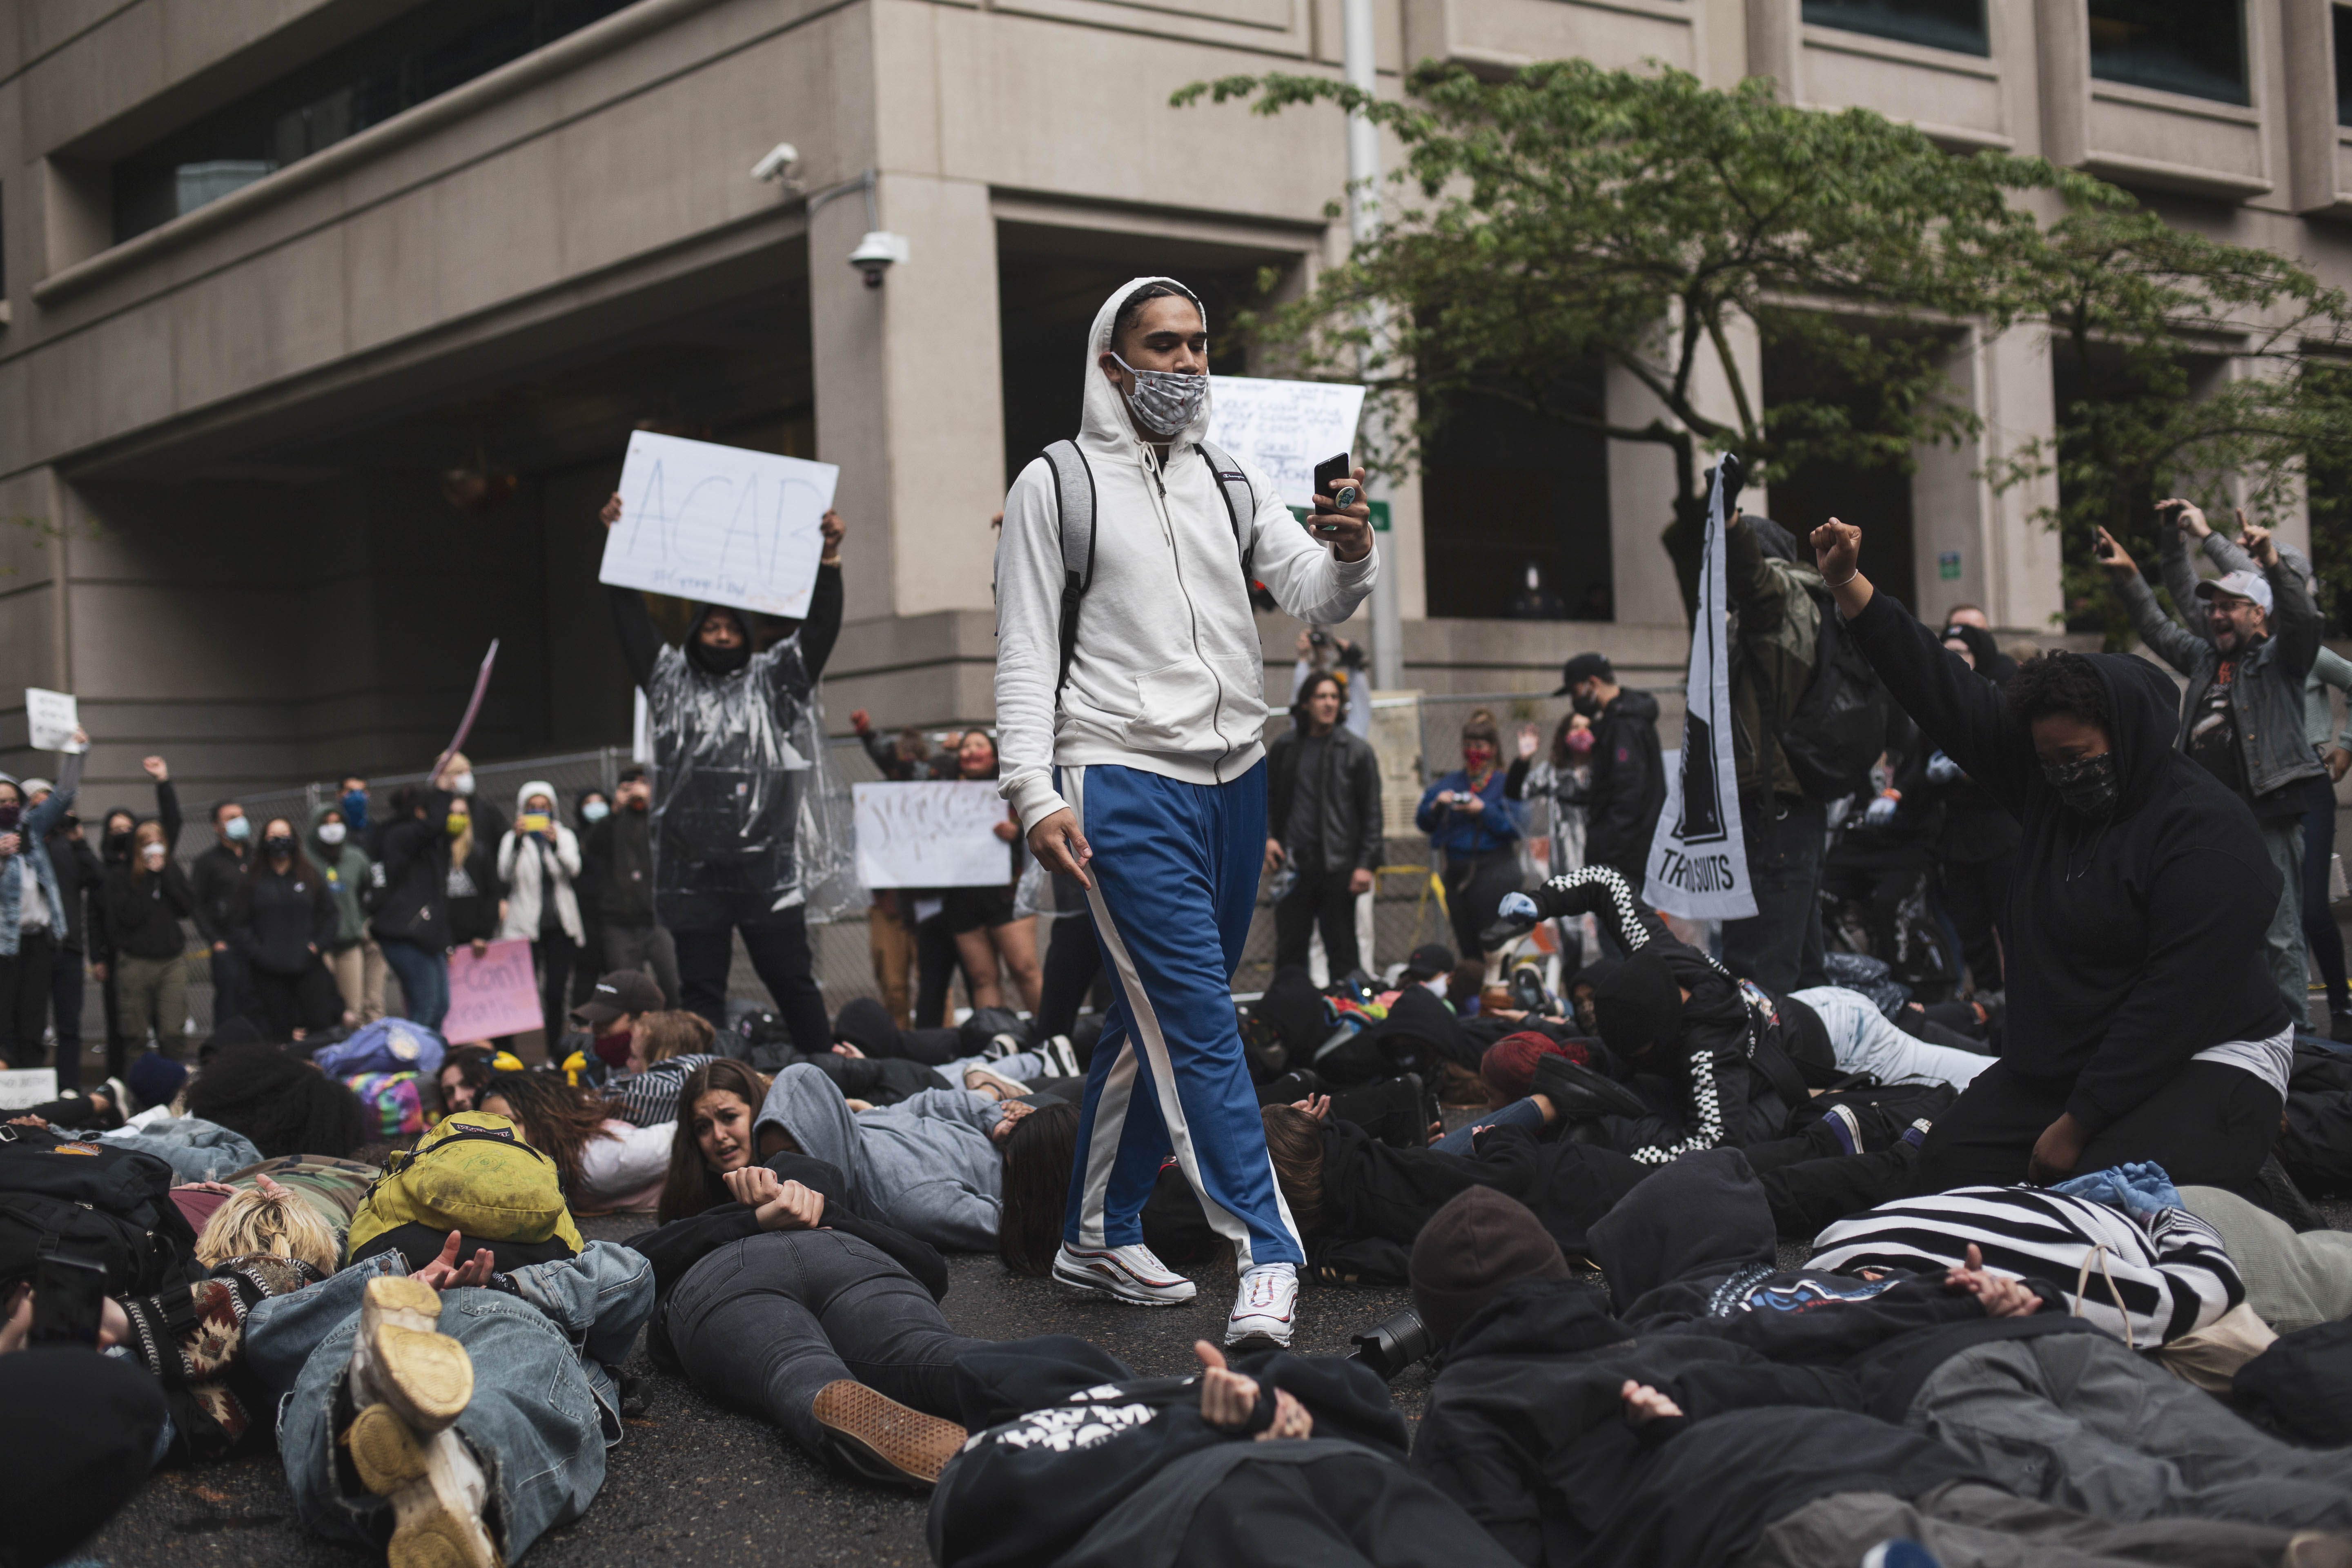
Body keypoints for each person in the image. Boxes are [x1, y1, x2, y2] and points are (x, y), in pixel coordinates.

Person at [993, 276, 1377, 1344]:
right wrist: (1032, 791)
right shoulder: (1056, 484)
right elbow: (1023, 647)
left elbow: (1311, 591)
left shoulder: (1229, 474)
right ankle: (1269, 1249)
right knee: (1203, 1019)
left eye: (1199, 344)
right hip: (1119, 777)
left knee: (1148, 1020)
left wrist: (1351, 554)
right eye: (1163, 345)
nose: (1188, 363)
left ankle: (1094, 1233)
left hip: (1234, 779)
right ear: (1111, 363)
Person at [1403, 1185, 2348, 1568]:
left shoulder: (1487, 1393)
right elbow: (1827, 1380)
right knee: (2139, 1505)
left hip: (1805, 1494)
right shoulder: (1683, 1337)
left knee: (2110, 1517)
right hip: (1909, 1433)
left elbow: (1484, 1549)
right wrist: (1969, 1299)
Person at [1814, 514, 2292, 1196]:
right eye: (2048, 762)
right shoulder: (2046, 788)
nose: (2065, 776)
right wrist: (1848, 585)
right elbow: (1941, 689)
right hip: (2079, 1057)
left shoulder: (2210, 837)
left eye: (2078, 758)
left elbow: (2173, 1003)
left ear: (2126, 740)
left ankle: (2255, 1164)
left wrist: (2077, 1122)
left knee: (2106, 1185)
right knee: (1951, 1163)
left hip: (2209, 1050)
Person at [246, 1176, 653, 1567]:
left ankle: (362, 1404)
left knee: (325, 1452)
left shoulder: (367, 1240)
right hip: (501, 1313)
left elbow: (263, 1331)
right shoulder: (553, 1250)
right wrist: (512, 1285)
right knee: (514, 1402)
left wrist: (397, 1280)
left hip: (367, 1322)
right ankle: (459, 1467)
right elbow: (633, 1275)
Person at [602, 498, 846, 1051]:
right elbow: (632, 625)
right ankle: (705, 1083)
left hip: (766, 865)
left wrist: (829, 561)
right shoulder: (668, 683)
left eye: (730, 627)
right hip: (694, 868)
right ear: (695, 633)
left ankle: (825, 1075)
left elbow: (819, 634)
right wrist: (619, 545)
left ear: (746, 633)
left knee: (793, 981)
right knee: (701, 993)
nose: (719, 635)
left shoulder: (776, 682)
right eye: (710, 626)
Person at [2101, 501, 2321, 1025]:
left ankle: (2299, 1037)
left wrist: (2272, 561)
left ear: (2258, 614)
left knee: (2280, 934)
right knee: (2225, 931)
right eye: (2214, 608)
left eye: (2230, 607)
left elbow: (2303, 617)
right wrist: (2136, 571)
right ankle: (2248, 1032)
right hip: (2211, 821)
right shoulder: (2205, 659)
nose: (2217, 615)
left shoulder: (2281, 660)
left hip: (2267, 814)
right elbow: (2157, 625)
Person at [628, 1160, 973, 1487]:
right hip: (847, 1253)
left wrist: (750, 1221)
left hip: (729, 1269)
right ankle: (997, 1371)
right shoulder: (826, 1190)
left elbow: (623, 1266)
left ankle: (837, 1409)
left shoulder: (703, 1217)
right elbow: (932, 1270)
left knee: (795, 1365)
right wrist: (830, 1215)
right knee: (926, 1348)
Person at [1721, 506, 1834, 993]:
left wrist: (1729, 524)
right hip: (1788, 805)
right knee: (1802, 967)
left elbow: (1752, 576)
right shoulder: (1794, 608)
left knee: (1760, 974)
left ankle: (1769, 1046)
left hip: (1772, 808)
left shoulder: (1773, 604)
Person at [1924, 623, 2022, 995]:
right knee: (1971, 930)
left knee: (2014, 927)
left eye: (1961, 652)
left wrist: (1969, 769)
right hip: (1958, 838)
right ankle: (1987, 1003)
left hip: (2001, 834)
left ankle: (2020, 1001)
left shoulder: (2000, 691)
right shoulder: (1939, 694)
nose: (1954, 659)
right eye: (1947, 651)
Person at [1265, 670, 1382, 981]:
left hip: (1338, 866)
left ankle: (1347, 1011)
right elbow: (1268, 799)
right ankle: (1293, 1010)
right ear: (1305, 703)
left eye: (1334, 697)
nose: (1329, 703)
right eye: (1321, 697)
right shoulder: (1285, 748)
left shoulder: (1357, 751)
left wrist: (1366, 865)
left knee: (1344, 956)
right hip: (1293, 865)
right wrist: (1268, 838)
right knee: (1290, 954)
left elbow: (1372, 814)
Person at [941, 731, 1043, 1015]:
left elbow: (1041, 823)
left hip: (1007, 895)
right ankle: (995, 1036)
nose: (971, 751)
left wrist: (1018, 833)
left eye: (979, 745)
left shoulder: (1012, 783)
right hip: (963, 896)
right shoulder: (945, 786)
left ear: (994, 754)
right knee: (981, 978)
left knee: (1024, 969)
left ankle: (1050, 1035)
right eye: (966, 746)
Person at [1416, 709, 1527, 968]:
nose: (1473, 752)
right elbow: (1423, 822)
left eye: (1479, 746)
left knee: (1493, 945)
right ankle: (1474, 988)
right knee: (1468, 949)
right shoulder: (1451, 783)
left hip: (1494, 871)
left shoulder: (1504, 783)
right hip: (1458, 875)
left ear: (1493, 748)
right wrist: (1436, 806)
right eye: (1468, 746)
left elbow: (1517, 826)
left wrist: (1483, 811)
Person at [0, 737, 85, 1071]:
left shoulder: (31, 828)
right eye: (1, 802)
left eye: (12, 800)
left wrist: (76, 753)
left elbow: (63, 795)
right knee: (4, 1017)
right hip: (4, 946)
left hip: (38, 940)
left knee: (34, 1016)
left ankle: (32, 1081)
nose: (8, 806)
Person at [1552, 653, 1666, 894]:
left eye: (1575, 691)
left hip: (1624, 861)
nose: (1574, 700)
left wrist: (1605, 852)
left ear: (1592, 683)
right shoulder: (1618, 722)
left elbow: (1627, 795)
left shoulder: (1624, 725)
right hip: (1629, 855)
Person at [477, 1071, 668, 1212]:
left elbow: (678, 1137)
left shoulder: (595, 1158)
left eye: (511, 1122)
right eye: (486, 1127)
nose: (496, 1135)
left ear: (541, 1120)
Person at [229, 816, 344, 1036]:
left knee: (320, 1023)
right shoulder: (251, 881)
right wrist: (259, 952)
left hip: (307, 964)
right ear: (263, 841)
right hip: (267, 970)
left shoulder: (310, 876)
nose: (279, 841)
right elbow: (239, 924)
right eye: (273, 836)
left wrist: (316, 946)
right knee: (277, 1029)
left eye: (284, 836)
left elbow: (331, 915)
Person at [578, 765, 680, 1011]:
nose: (636, 791)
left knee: (674, 985)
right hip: (619, 923)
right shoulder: (613, 822)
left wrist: (654, 804)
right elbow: (592, 847)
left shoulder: (659, 818)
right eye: (629, 787)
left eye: (642, 784)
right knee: (628, 994)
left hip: (658, 919)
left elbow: (680, 842)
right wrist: (615, 810)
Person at [495, 780, 586, 1044]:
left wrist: (555, 845)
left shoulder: (564, 836)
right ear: (522, 810)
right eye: (532, 807)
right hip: (525, 927)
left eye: (543, 807)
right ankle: (513, 1050)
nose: (538, 811)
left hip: (560, 925)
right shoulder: (512, 838)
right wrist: (517, 841)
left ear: (552, 809)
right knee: (522, 992)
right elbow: (504, 874)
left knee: (556, 993)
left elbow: (574, 869)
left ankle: (554, 1051)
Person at [102, 820, 195, 1058]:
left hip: (171, 961)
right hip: (136, 962)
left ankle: (173, 1077)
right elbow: (130, 916)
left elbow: (186, 908)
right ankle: (139, 1080)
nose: (154, 848)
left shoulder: (171, 870)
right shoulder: (120, 876)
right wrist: (149, 878)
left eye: (158, 842)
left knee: (172, 1032)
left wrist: (164, 875)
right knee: (136, 1035)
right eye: (147, 844)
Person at [370, 783, 456, 1031]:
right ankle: (414, 1054)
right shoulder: (400, 835)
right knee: (426, 1008)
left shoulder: (428, 848)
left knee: (440, 1006)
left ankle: (432, 1053)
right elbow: (433, 826)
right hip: (405, 935)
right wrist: (442, 792)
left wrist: (446, 941)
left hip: (428, 936)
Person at [310, 801, 384, 1025]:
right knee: (325, 1006)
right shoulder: (305, 859)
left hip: (349, 940)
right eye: (326, 823)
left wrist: (363, 921)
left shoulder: (355, 857)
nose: (333, 828)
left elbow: (370, 892)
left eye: (337, 823)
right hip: (319, 944)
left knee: (354, 1011)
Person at [192, 798, 254, 1029]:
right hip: (227, 944)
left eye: (241, 816)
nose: (239, 821)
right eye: (231, 818)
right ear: (216, 826)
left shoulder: (257, 857)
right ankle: (225, 1048)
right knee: (229, 1003)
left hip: (258, 942)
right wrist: (215, 940)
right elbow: (196, 905)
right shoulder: (207, 863)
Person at [569, 786, 611, 1016]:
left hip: (614, 913)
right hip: (585, 914)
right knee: (585, 971)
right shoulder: (573, 838)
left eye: (599, 801)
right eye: (589, 803)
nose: (595, 807)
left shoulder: (617, 833)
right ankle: (581, 1021)